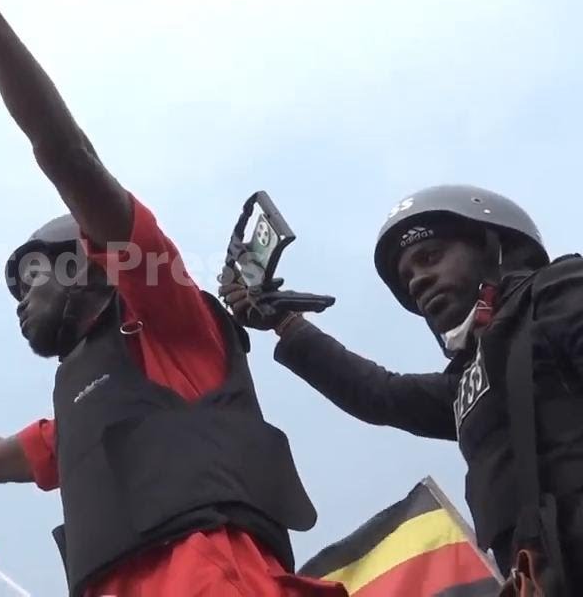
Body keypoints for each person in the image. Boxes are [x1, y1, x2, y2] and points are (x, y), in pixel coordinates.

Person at [0, 0, 346, 597]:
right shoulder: (84, 413)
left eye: (36, 273)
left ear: (90, 265)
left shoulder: (165, 319)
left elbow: (65, 154)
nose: (21, 297)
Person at [219, 184, 583, 593]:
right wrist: (284, 324)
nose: (419, 281)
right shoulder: (466, 381)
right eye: (408, 278)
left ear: (492, 248)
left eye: (430, 257)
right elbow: (382, 395)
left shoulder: (559, 289)